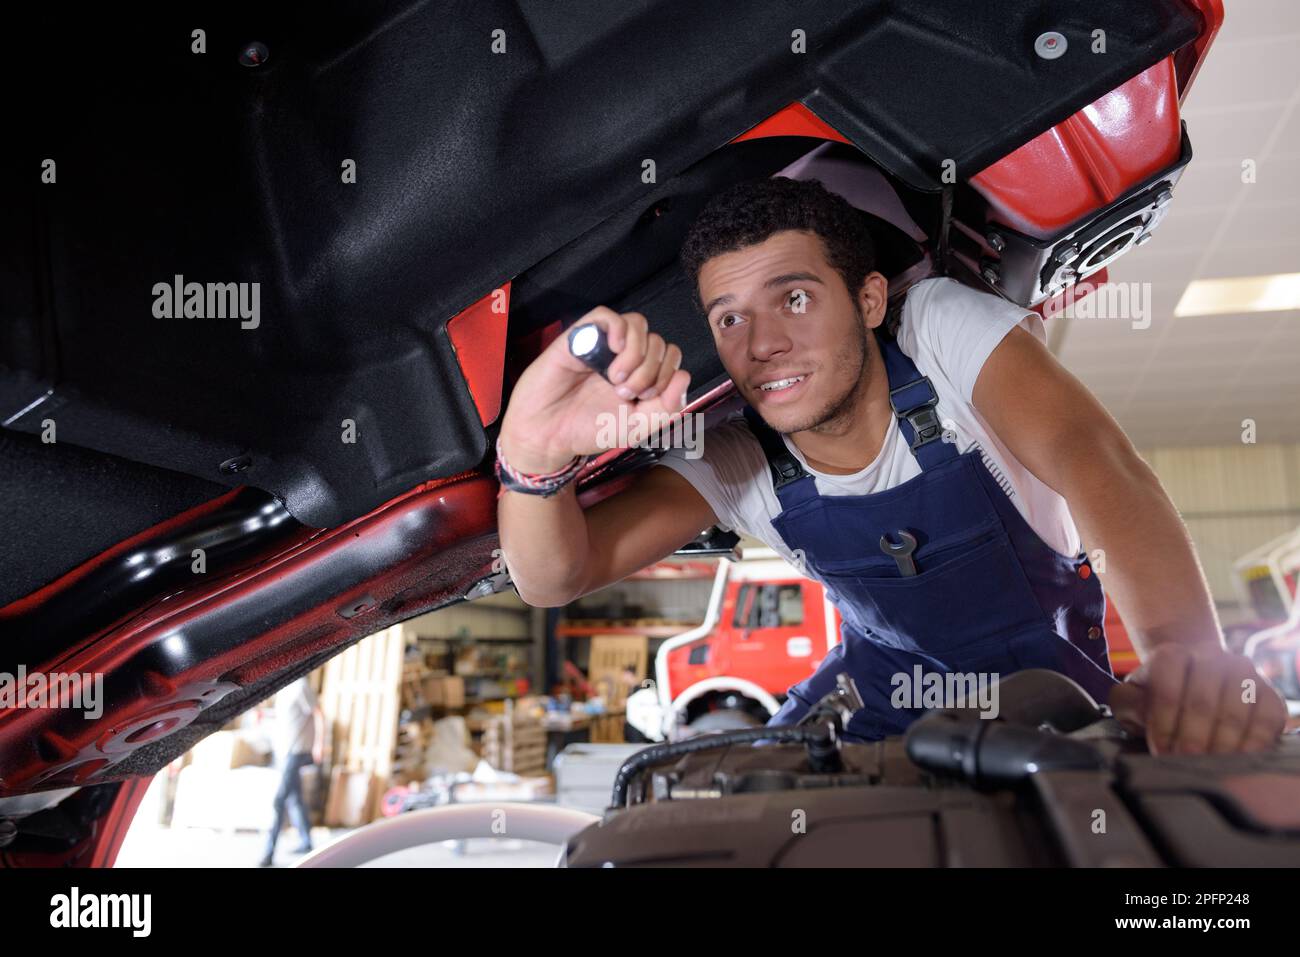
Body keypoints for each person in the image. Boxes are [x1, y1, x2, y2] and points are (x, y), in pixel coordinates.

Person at [495, 176, 1287, 754]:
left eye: (795, 298)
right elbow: (558, 574)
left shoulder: (939, 334)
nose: (761, 341)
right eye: (729, 317)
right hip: (873, 721)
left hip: (1055, 713)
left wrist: (1185, 654)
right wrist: (532, 458)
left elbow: (1098, 464)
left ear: (870, 301)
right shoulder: (738, 455)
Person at [259, 676, 325, 867]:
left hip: (296, 751)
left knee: (279, 800)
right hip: (283, 750)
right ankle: (307, 842)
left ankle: (268, 853)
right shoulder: (283, 685)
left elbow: (318, 713)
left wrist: (319, 744)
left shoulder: (300, 685)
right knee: (295, 798)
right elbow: (288, 716)